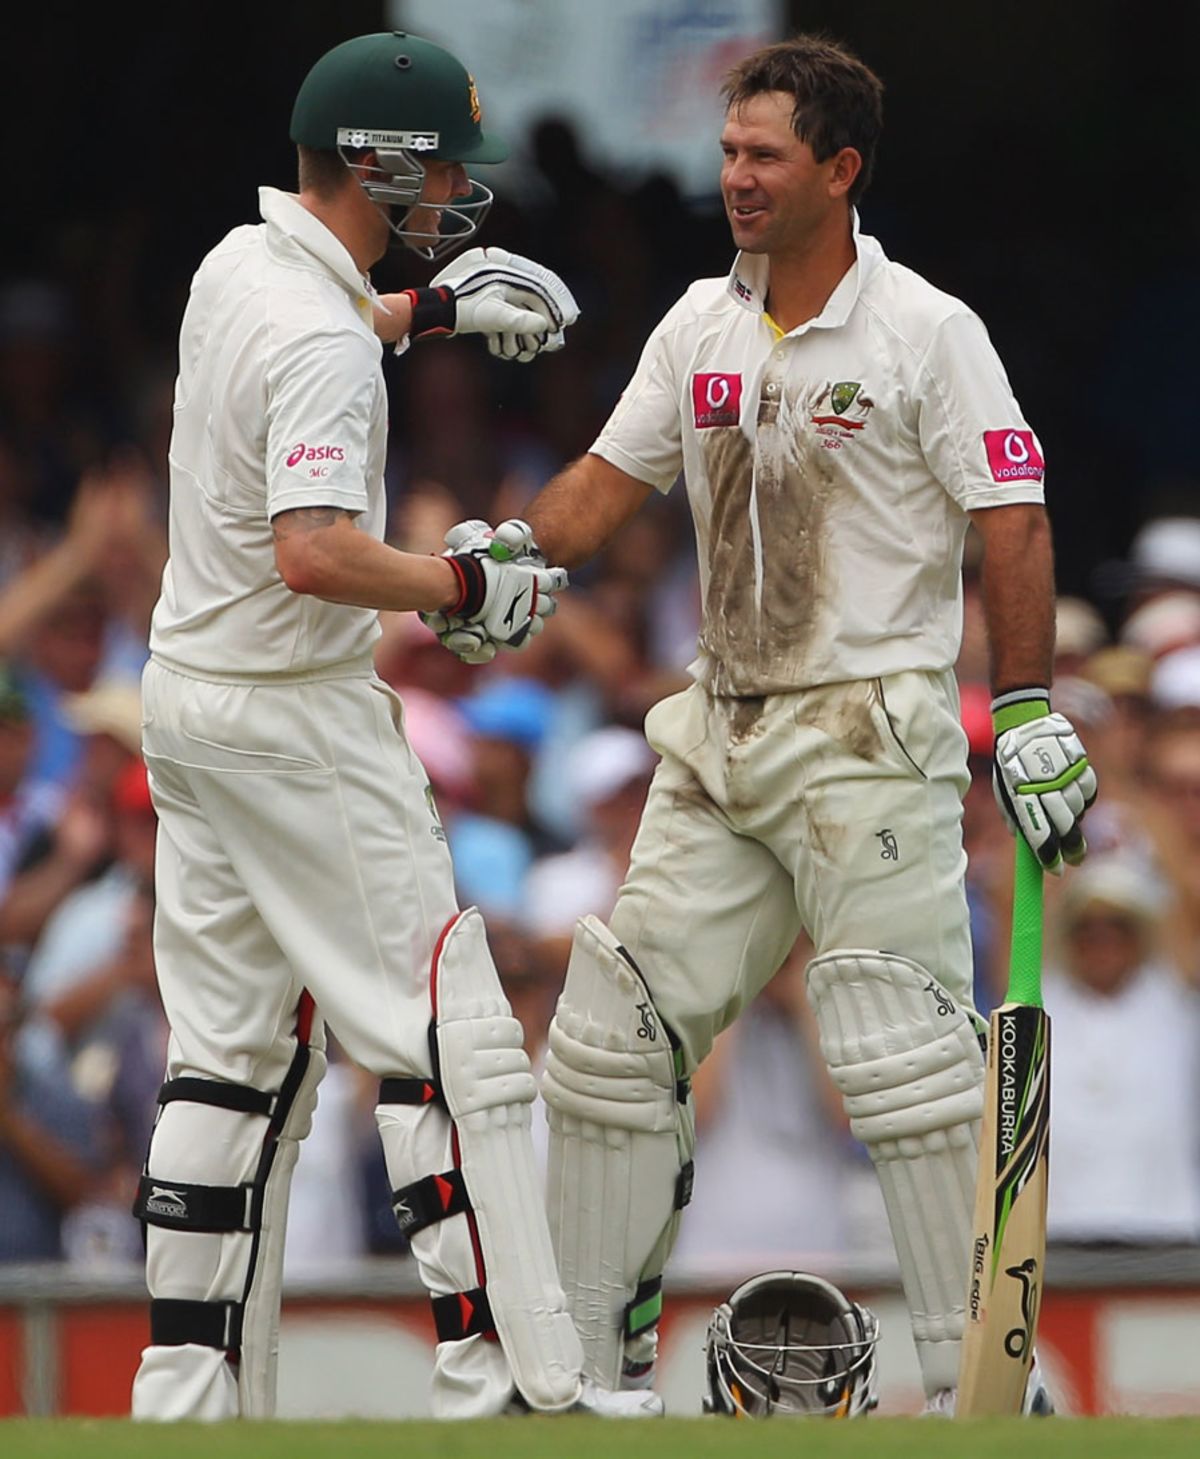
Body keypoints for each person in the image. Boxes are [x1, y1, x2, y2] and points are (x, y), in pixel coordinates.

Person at [433, 35, 1097, 1411]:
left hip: (872, 738)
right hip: (718, 733)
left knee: (905, 1057)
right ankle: (586, 1383)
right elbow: (607, 487)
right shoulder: (699, 325)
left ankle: (979, 1383)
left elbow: (1014, 521)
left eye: (764, 156)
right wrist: (498, 560)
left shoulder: (927, 330)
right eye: (729, 151)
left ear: (838, 170)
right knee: (612, 1043)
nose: (734, 177)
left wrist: (1025, 707)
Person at [130, 31, 656, 1422]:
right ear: (377, 162)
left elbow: (304, 355)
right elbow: (312, 549)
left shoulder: (239, 269)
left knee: (232, 1055)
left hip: (189, 700)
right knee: (451, 1030)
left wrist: (417, 313)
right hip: (295, 712)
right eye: (442, 172)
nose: (457, 196)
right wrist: (461, 583)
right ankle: (512, 1374)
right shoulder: (315, 334)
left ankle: (187, 1394)